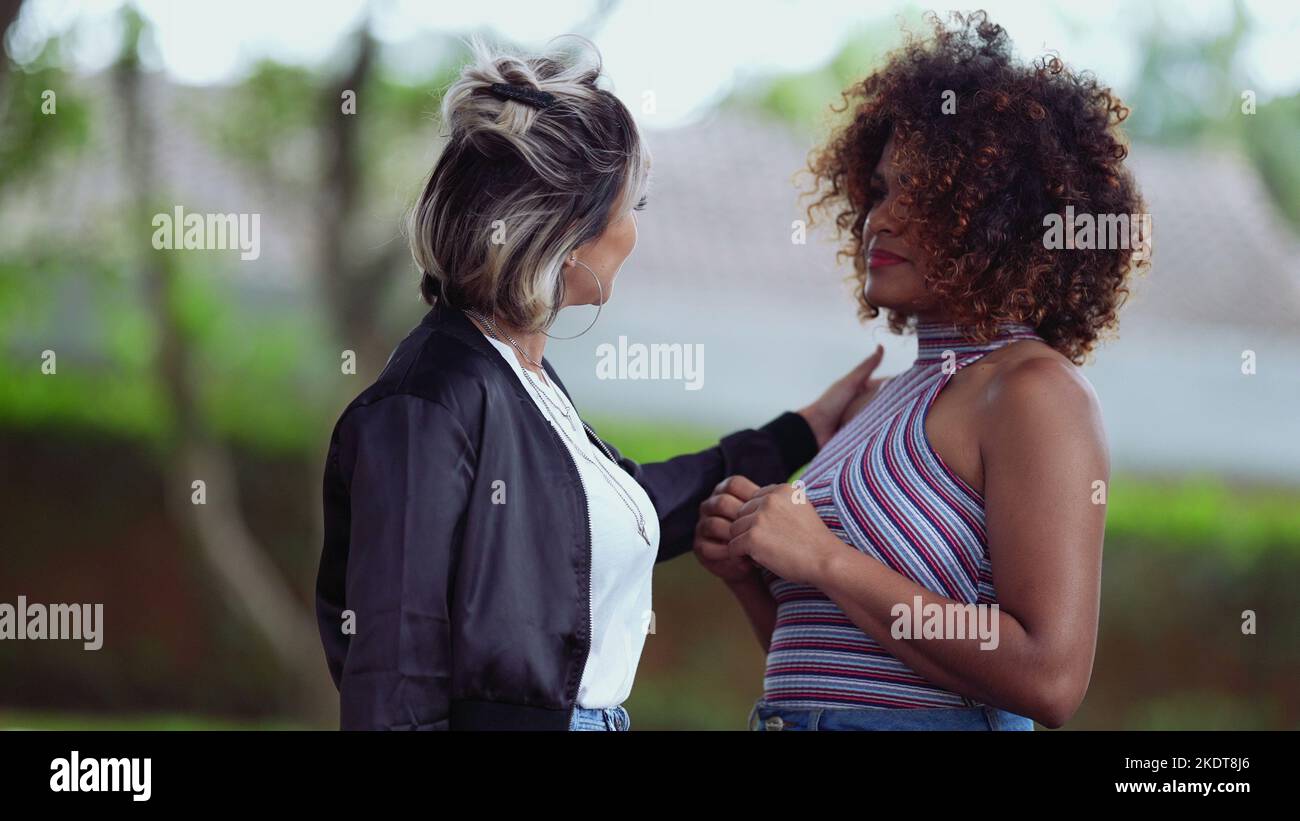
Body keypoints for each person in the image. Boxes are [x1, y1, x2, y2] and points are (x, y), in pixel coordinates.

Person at [314, 36, 878, 731]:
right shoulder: (429, 403)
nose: (637, 232)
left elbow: (625, 509)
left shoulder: (522, 378)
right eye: (631, 205)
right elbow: (391, 689)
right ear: (567, 235)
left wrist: (801, 429)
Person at [694, 11, 1147, 731]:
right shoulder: (875, 400)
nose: (883, 217)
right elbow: (848, 667)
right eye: (878, 189)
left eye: (923, 194)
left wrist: (825, 559)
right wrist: (751, 574)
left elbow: (1050, 676)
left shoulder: (1034, 393)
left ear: (1006, 219)